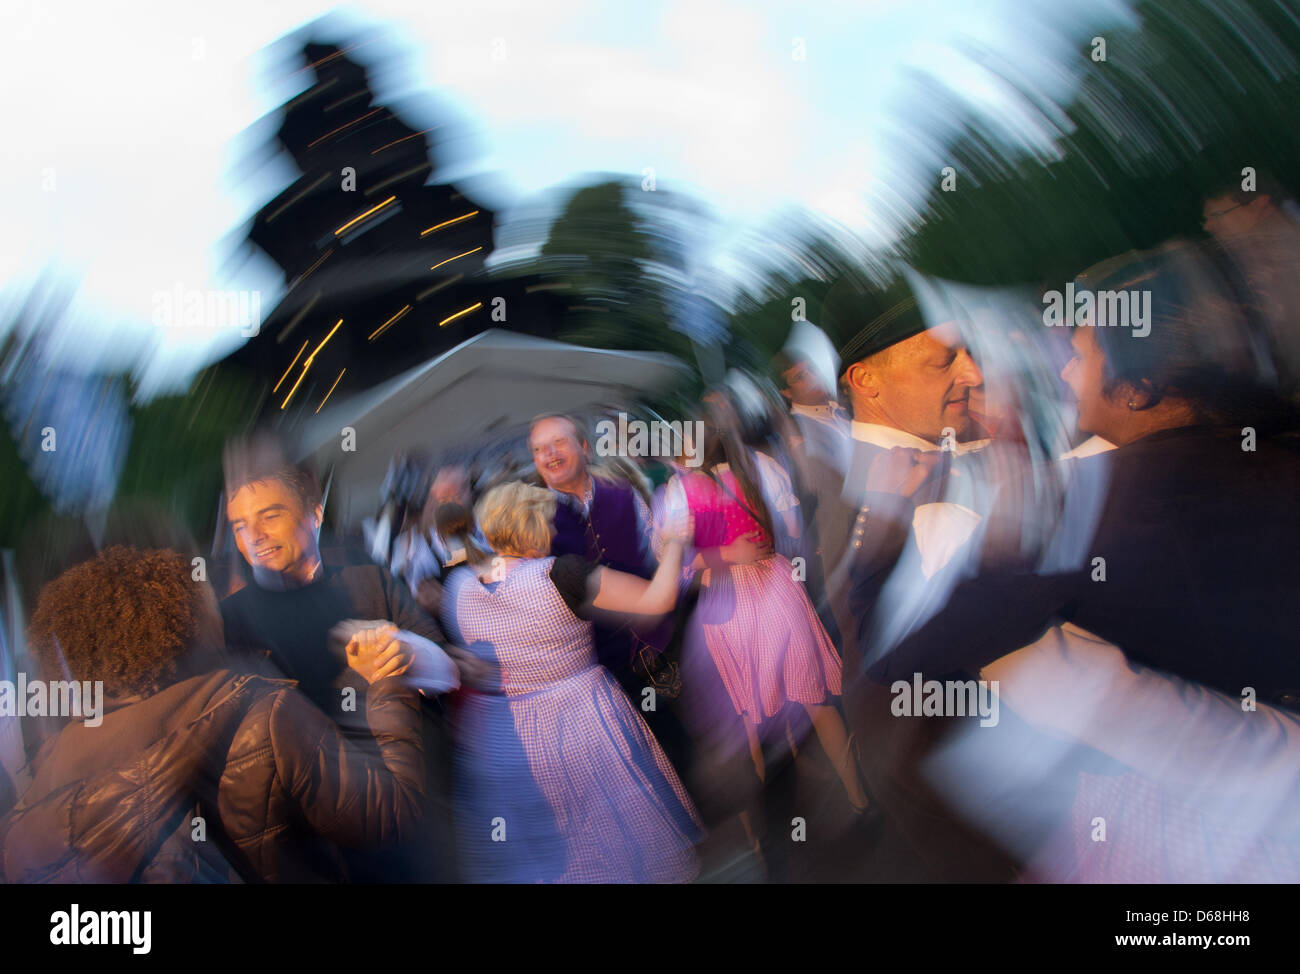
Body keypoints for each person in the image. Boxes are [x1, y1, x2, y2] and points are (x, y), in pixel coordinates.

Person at [0, 547, 428, 883]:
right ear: (178, 621)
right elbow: (389, 812)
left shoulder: (53, 761)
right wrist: (384, 681)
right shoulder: (256, 706)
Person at [217, 435, 464, 881]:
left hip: (399, 816)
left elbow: (446, 669)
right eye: (239, 525)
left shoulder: (366, 578)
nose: (254, 536)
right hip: (309, 845)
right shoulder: (228, 623)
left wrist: (403, 651)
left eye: (270, 516)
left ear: (313, 514)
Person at [438, 481, 702, 883]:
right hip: (581, 720)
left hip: (507, 738)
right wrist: (674, 541)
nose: (553, 529)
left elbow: (475, 660)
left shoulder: (457, 587)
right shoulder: (563, 574)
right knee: (618, 838)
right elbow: (656, 602)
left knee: (553, 850)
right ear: (531, 524)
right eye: (545, 520)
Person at [666, 396, 869, 819]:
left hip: (726, 606)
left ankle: (763, 835)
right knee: (814, 697)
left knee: (746, 713)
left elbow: (677, 570)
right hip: (778, 591)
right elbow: (792, 536)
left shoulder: (678, 493)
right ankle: (858, 798)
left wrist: (721, 556)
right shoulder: (765, 469)